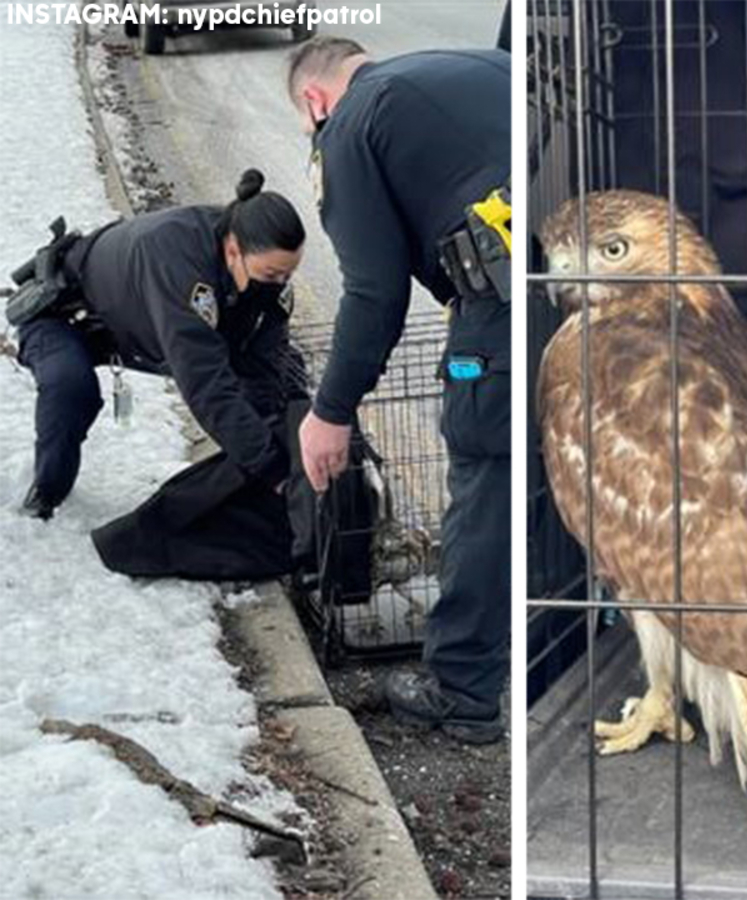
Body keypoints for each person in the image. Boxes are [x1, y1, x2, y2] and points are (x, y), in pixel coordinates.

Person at [286, 36, 510, 743]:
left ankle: (462, 691)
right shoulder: (476, 65)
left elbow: (373, 292)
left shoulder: (348, 126)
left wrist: (330, 412)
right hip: (589, 284)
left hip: (501, 313)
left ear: (314, 102)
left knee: (486, 473)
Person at [11, 169, 302, 521]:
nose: (280, 284)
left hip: (136, 328)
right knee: (70, 386)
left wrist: (275, 452)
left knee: (289, 372)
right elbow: (206, 386)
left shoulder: (258, 267)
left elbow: (263, 365)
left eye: (288, 274)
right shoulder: (178, 265)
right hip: (67, 318)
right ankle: (45, 495)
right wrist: (273, 470)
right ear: (233, 250)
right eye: (272, 275)